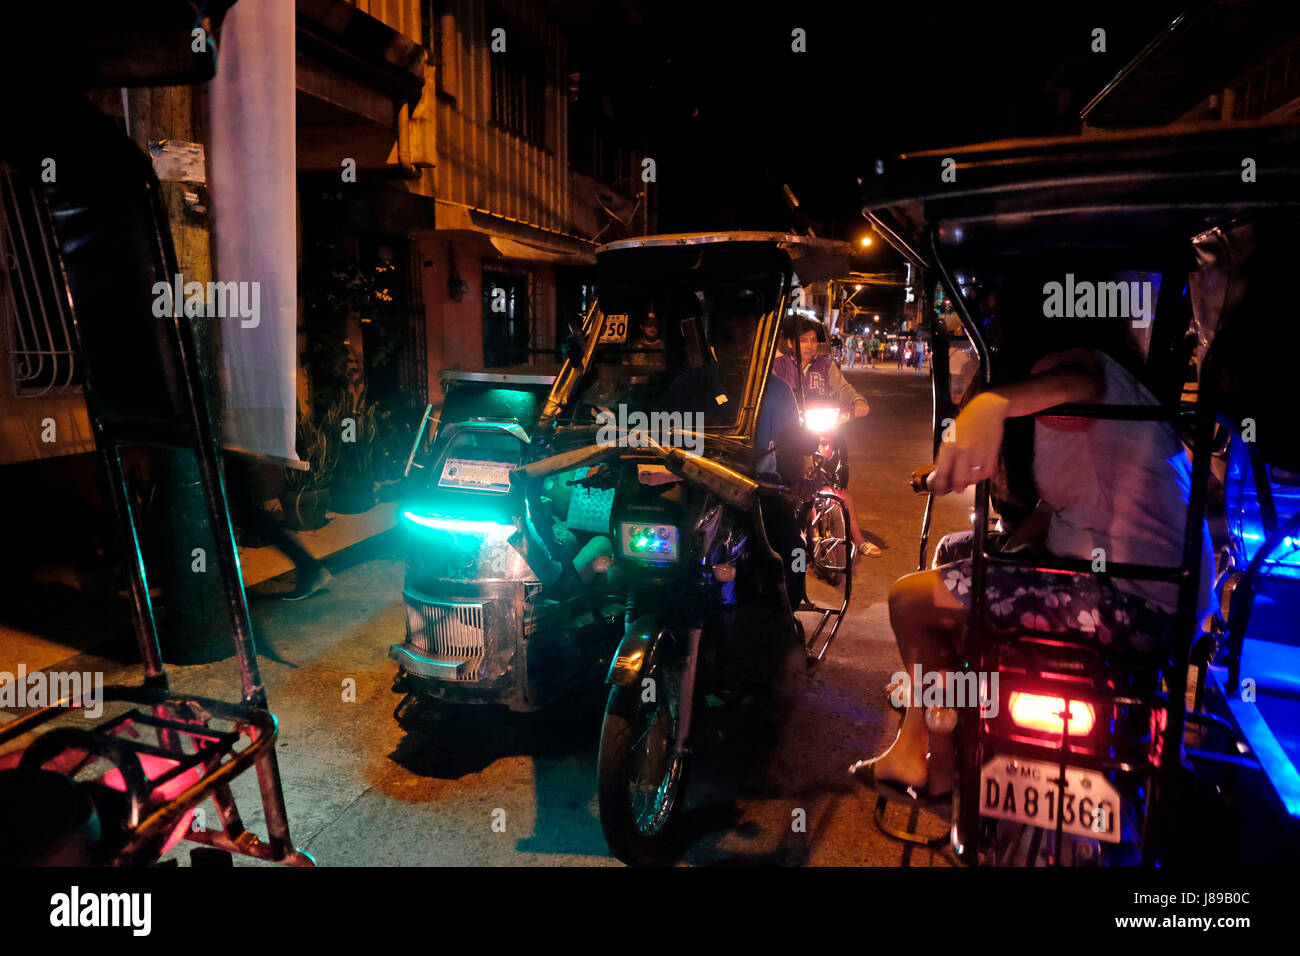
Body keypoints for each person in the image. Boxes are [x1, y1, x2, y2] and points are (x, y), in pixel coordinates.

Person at [848, 301, 1213, 801]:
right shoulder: (1120, 378)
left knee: (909, 601)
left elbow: (1072, 381)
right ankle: (932, 729)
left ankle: (931, 759)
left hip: (1129, 599)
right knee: (957, 552)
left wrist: (993, 403)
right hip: (1155, 589)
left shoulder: (1075, 365)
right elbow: (1052, 505)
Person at [772, 319, 883, 558]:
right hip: (790, 435)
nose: (810, 345)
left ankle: (859, 539)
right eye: (803, 340)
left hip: (821, 431)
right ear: (791, 342)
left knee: (837, 485)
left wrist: (858, 402)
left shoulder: (825, 365)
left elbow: (844, 388)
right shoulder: (778, 366)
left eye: (813, 340)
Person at [224, 452, 332, 601]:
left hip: (228, 451)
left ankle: (309, 567)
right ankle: (308, 566)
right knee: (248, 515)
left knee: (248, 516)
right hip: (230, 451)